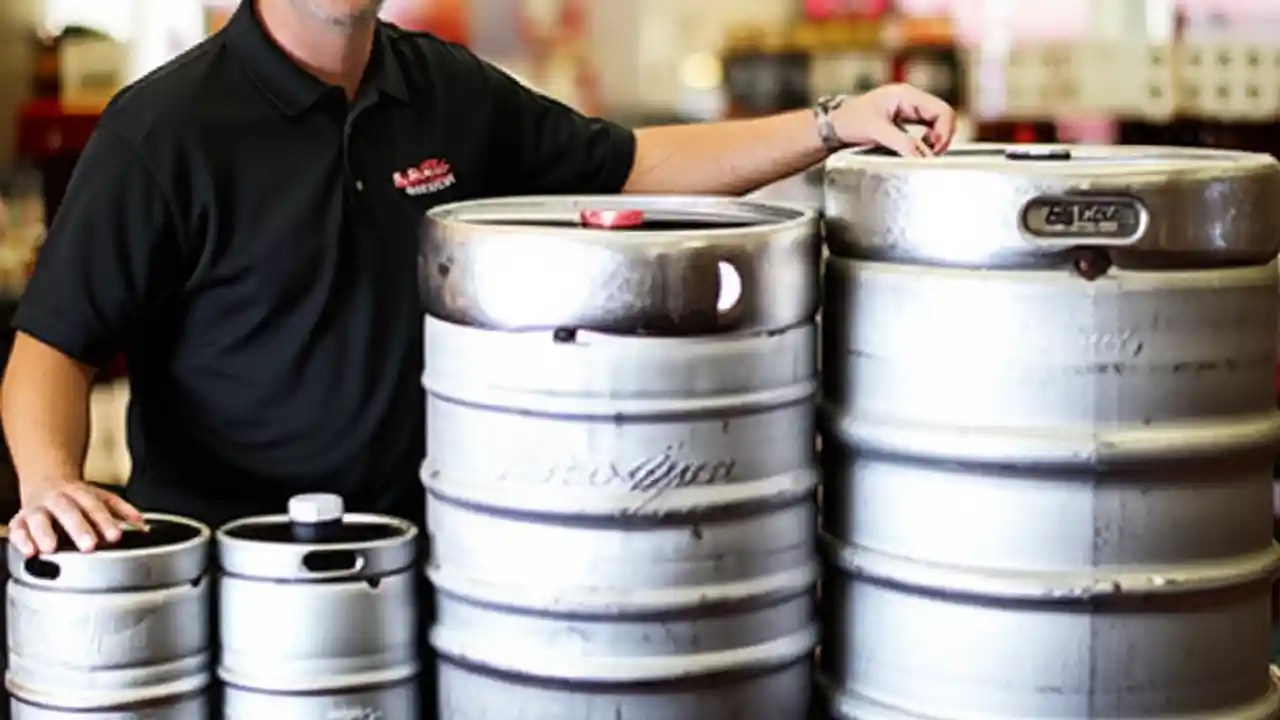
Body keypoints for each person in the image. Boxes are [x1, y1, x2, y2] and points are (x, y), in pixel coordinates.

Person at [3, 0, 957, 558]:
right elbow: (51, 347)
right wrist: (50, 479)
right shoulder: (163, 130)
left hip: (431, 558)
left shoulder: (445, 92)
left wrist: (833, 122)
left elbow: (631, 166)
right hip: (238, 575)